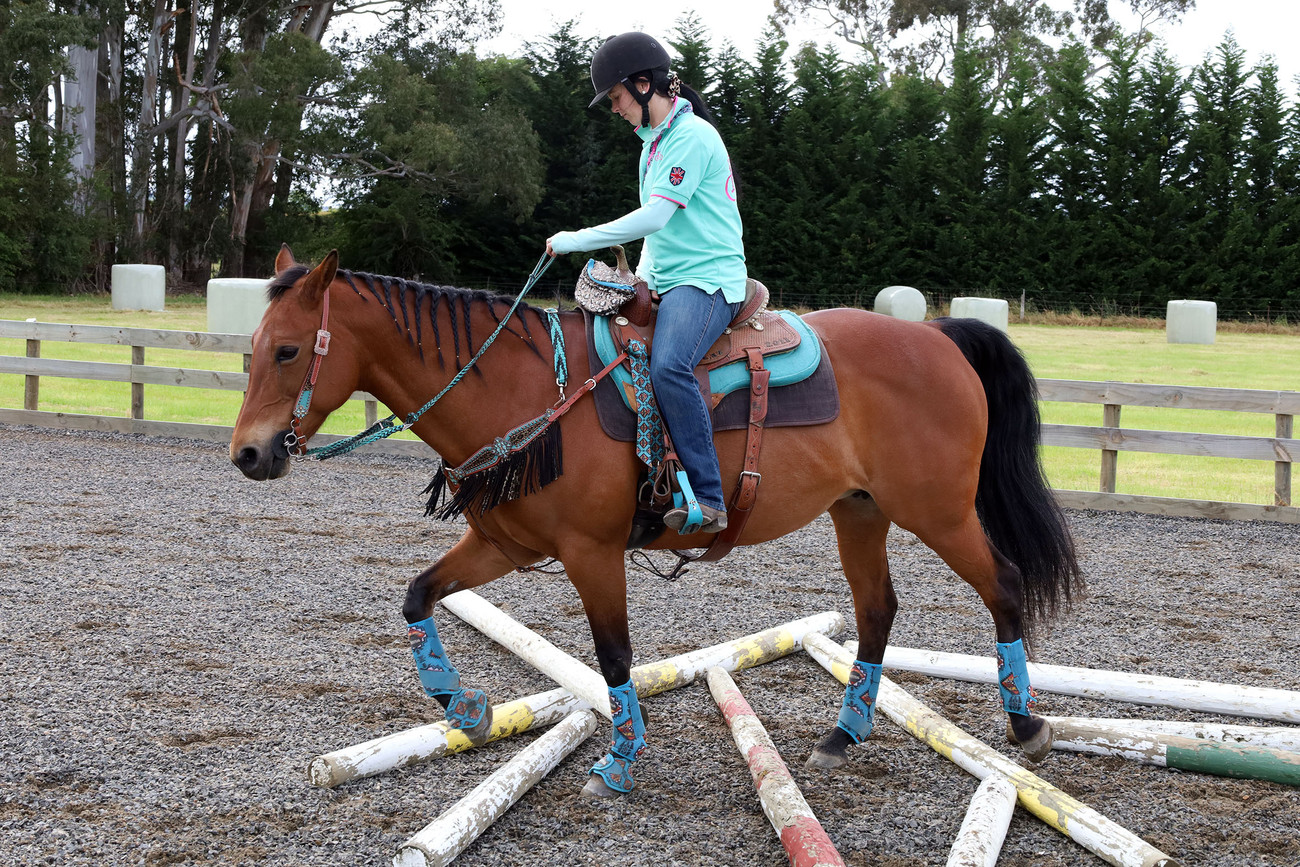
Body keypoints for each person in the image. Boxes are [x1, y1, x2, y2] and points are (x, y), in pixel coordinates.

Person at [546, 32, 747, 535]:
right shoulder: (653, 145)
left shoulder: (693, 137)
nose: (614, 109)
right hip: (668, 278)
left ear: (642, 84)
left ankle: (708, 496)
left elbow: (655, 218)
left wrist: (575, 239)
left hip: (708, 280)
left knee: (670, 366)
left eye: (615, 98)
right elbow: (662, 237)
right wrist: (639, 279)